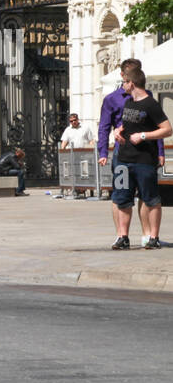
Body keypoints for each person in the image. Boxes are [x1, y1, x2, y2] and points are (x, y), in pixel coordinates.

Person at [109, 67, 171, 249]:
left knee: (151, 199)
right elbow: (127, 125)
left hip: (144, 160)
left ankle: (153, 237)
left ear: (132, 83)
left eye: (125, 82)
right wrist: (118, 131)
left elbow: (167, 129)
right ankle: (123, 237)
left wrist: (143, 136)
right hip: (123, 158)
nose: (123, 85)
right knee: (122, 199)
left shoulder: (151, 104)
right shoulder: (129, 103)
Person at [59, 113, 96, 199]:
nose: (73, 122)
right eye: (71, 121)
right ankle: (76, 189)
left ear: (78, 119)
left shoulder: (85, 128)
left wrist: (93, 150)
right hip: (73, 154)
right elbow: (64, 141)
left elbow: (91, 140)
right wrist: (62, 151)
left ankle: (85, 188)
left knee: (84, 172)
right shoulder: (68, 130)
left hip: (84, 154)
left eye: (74, 120)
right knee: (74, 172)